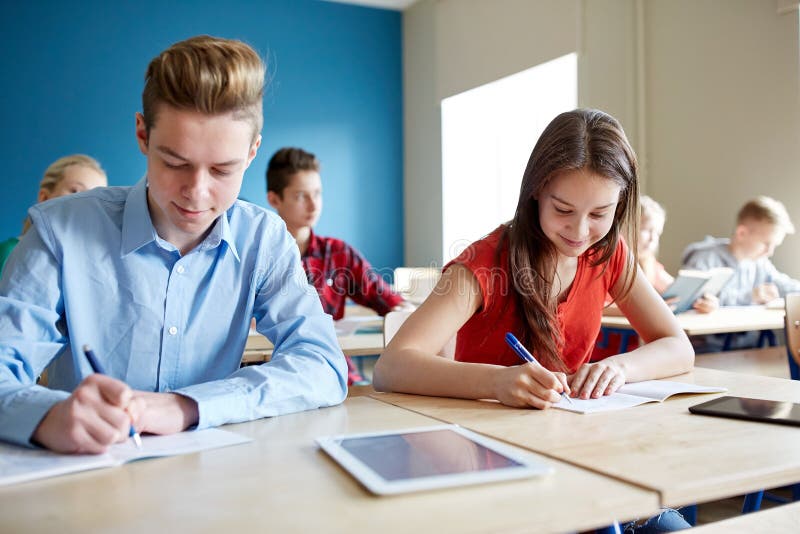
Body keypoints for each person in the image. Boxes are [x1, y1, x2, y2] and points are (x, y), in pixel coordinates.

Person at [0, 35, 347, 454]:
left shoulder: (265, 239)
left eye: (222, 170)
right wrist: (47, 416)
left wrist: (187, 407)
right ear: (143, 135)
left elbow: (323, 365)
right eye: (175, 163)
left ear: (253, 152)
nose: (197, 194)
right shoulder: (60, 231)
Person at [374, 109, 694, 532]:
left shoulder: (608, 254)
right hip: (498, 466)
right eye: (564, 209)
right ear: (536, 192)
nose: (580, 231)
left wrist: (620, 366)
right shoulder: (484, 263)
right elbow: (392, 366)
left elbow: (678, 346)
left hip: (580, 457)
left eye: (600, 213)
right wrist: (497, 383)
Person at [266, 147, 411, 384]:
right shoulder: (257, 254)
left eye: (318, 193)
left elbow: (388, 300)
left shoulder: (338, 253)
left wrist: (404, 311)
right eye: (301, 196)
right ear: (274, 199)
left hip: (333, 371)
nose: (314, 205)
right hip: (274, 375)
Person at [681, 195, 800, 351]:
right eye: (766, 244)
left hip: (748, 347)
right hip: (708, 348)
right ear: (742, 233)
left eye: (774, 246)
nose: (770, 252)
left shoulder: (759, 263)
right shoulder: (705, 259)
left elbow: (785, 285)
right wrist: (750, 296)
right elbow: (691, 301)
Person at [0, 154, 107, 274]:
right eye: (75, 191)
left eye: (96, 199)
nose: (87, 204)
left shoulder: (88, 269)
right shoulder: (8, 253)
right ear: (44, 198)